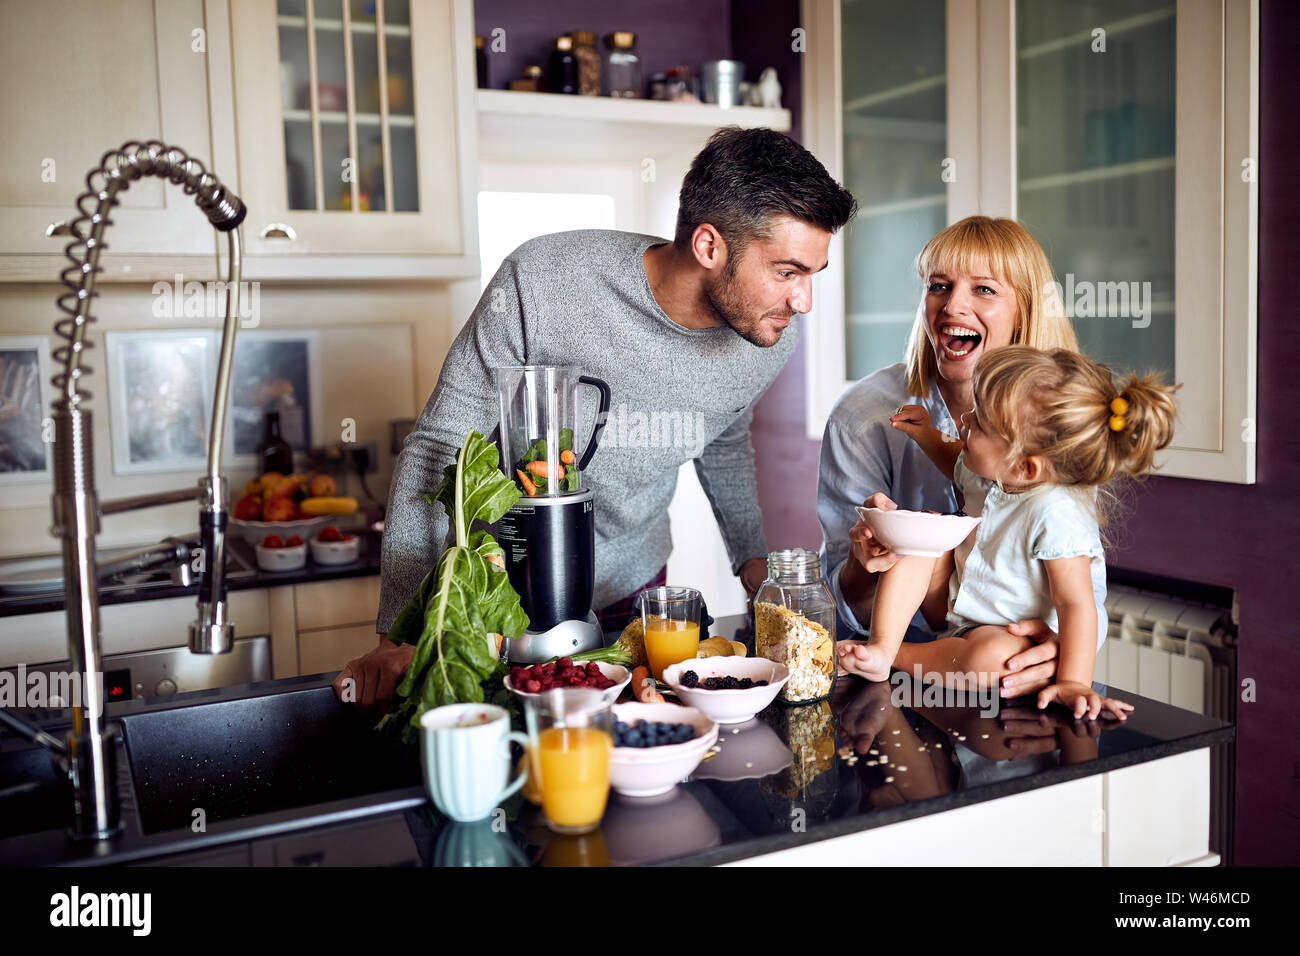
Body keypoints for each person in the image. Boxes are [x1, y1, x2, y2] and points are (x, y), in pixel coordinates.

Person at [335, 126, 857, 710]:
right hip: (498, 593)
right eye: (788, 272)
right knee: (515, 751)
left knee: (631, 757)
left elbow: (723, 438)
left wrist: (753, 561)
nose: (804, 301)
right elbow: (439, 447)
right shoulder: (543, 282)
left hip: (636, 590)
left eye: (813, 274)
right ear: (709, 246)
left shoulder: (768, 337)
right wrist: (399, 635)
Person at [837, 345, 1178, 719]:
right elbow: (957, 459)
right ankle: (881, 646)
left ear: (1026, 468)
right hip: (953, 606)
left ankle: (895, 659)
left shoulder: (1056, 513)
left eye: (979, 423)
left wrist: (1074, 681)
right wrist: (927, 436)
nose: (965, 419)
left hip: (1007, 634)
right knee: (919, 533)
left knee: (994, 658)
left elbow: (1075, 603)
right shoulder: (994, 470)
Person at [817, 216, 1079, 699]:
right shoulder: (863, 417)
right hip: (894, 680)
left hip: (1011, 663)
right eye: (939, 285)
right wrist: (865, 561)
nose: (952, 305)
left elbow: (1083, 583)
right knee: (925, 531)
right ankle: (890, 653)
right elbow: (836, 606)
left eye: (983, 289)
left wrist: (1063, 657)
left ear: (1024, 313)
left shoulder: (1056, 422)